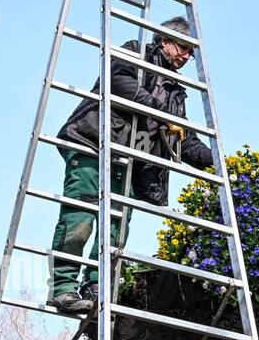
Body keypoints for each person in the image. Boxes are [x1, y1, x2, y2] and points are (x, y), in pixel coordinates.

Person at [48, 16, 215, 314]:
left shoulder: (177, 93)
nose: (187, 56)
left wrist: (216, 163)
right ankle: (63, 287)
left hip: (128, 164)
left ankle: (96, 285)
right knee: (80, 218)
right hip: (92, 145)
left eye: (192, 52)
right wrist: (162, 113)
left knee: (115, 229)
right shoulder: (135, 53)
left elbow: (184, 139)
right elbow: (119, 83)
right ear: (163, 40)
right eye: (183, 47)